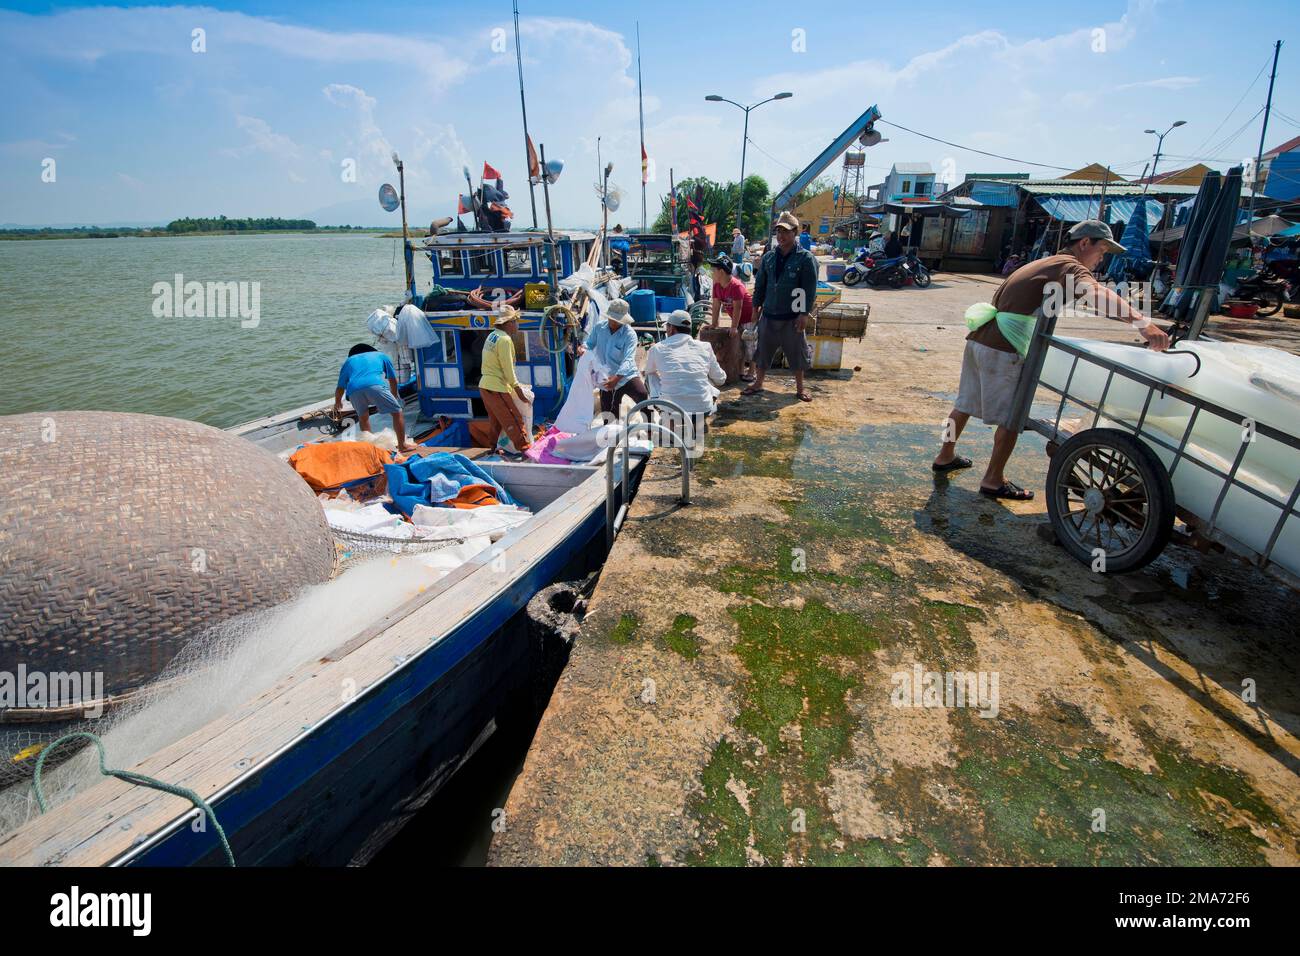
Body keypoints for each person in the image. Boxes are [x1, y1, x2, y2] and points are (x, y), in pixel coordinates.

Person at [932, 219, 1171, 500]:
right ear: (1085, 243)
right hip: (1003, 346)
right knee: (1012, 416)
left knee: (963, 405)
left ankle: (944, 455)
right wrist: (1142, 322)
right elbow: (1097, 294)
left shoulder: (1046, 262)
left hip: (981, 339)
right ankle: (993, 479)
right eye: (1101, 251)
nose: (1101, 259)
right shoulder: (1070, 266)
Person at [744, 210, 818, 402]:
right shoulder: (768, 258)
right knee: (763, 351)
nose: (781, 236)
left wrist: (803, 313)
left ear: (795, 232)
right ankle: (758, 383)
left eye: (785, 231)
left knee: (797, 353)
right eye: (778, 231)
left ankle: (800, 389)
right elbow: (760, 286)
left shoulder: (805, 258)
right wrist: (755, 308)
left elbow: (808, 289)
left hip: (791, 317)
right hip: (769, 315)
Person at [643, 310, 727, 448]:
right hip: (702, 410)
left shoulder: (657, 349)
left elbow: (649, 371)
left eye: (667, 326)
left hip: (672, 410)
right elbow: (721, 379)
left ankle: (669, 427)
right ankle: (697, 424)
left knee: (650, 376)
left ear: (671, 329)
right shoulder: (705, 347)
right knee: (707, 380)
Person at [334, 344, 418, 453]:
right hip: (375, 385)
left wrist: (337, 402)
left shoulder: (349, 360)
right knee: (397, 412)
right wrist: (394, 396)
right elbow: (392, 379)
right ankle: (402, 446)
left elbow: (340, 386)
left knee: (363, 417)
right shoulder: (381, 355)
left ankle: (369, 449)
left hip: (353, 390)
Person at [477, 306, 533, 455]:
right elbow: (507, 368)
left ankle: (492, 448)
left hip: (484, 386)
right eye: (515, 321)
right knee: (513, 419)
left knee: (495, 421)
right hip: (496, 388)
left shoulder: (492, 336)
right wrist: (517, 389)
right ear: (508, 323)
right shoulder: (505, 340)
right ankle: (525, 450)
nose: (517, 324)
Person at [579, 298, 647, 417]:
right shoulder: (599, 328)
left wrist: (617, 378)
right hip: (606, 376)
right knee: (609, 414)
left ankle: (650, 427)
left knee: (642, 395)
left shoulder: (630, 334)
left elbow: (629, 359)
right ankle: (611, 432)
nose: (614, 322)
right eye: (612, 319)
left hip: (626, 375)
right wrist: (583, 348)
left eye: (617, 320)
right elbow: (589, 344)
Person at [706, 253, 755, 383]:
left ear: (721, 271)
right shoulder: (717, 285)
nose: (711, 273)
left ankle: (752, 371)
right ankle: (740, 371)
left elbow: (738, 308)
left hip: (749, 317)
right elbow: (716, 305)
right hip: (737, 317)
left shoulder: (736, 286)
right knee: (739, 345)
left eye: (713, 270)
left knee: (750, 345)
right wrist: (714, 324)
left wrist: (733, 327)